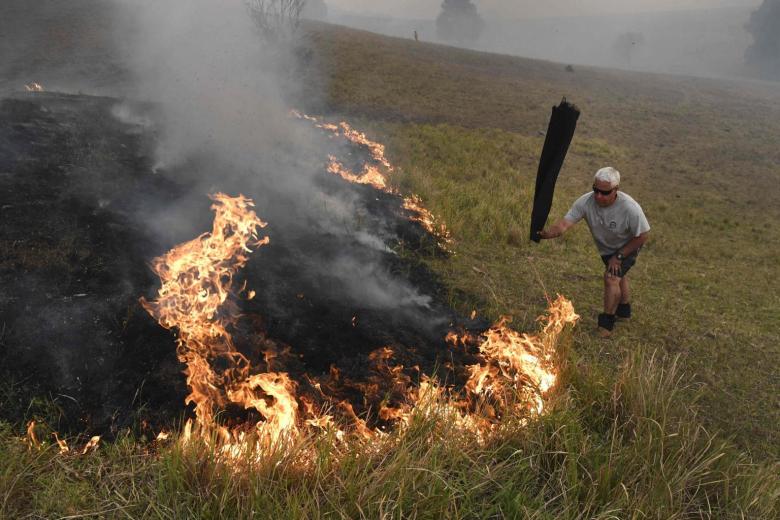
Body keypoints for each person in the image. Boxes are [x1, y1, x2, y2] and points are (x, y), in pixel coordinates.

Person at [538, 166, 650, 337]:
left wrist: (619, 256)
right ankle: (624, 310)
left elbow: (642, 235)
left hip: (628, 245)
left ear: (616, 190)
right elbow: (564, 224)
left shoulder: (630, 208)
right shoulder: (585, 202)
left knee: (611, 277)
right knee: (619, 276)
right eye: (595, 190)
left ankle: (606, 325)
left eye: (604, 193)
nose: (598, 196)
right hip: (606, 247)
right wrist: (547, 234)